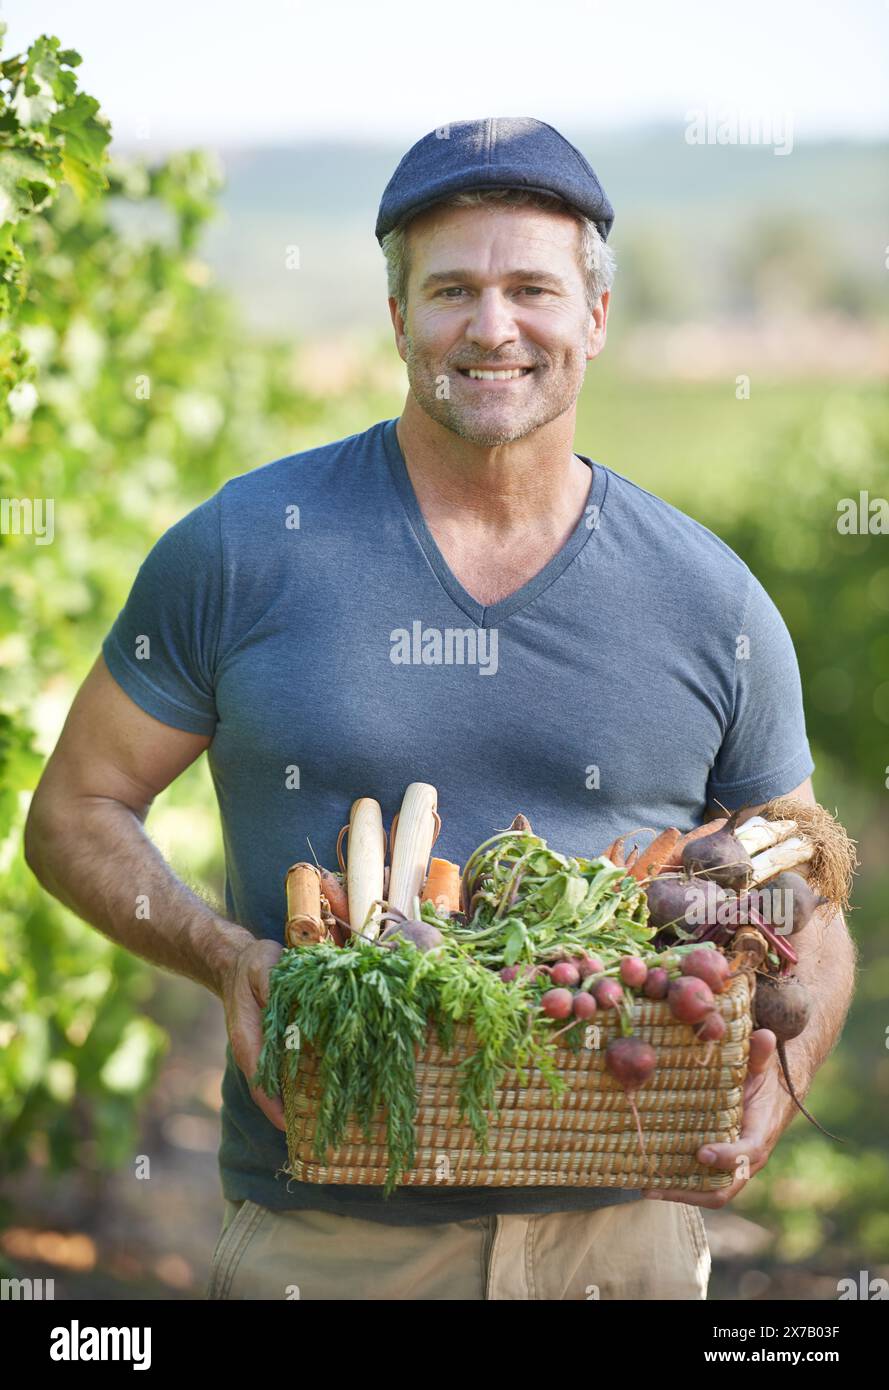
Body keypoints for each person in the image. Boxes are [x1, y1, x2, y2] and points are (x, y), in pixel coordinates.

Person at [24, 116, 855, 1301]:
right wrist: (224, 956)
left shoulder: (706, 594)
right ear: (399, 317)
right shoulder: (245, 549)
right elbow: (74, 810)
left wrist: (789, 1062)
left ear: (597, 317)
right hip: (325, 1238)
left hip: (622, 1246)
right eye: (452, 289)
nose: (493, 326)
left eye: (532, 287)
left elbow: (805, 895)